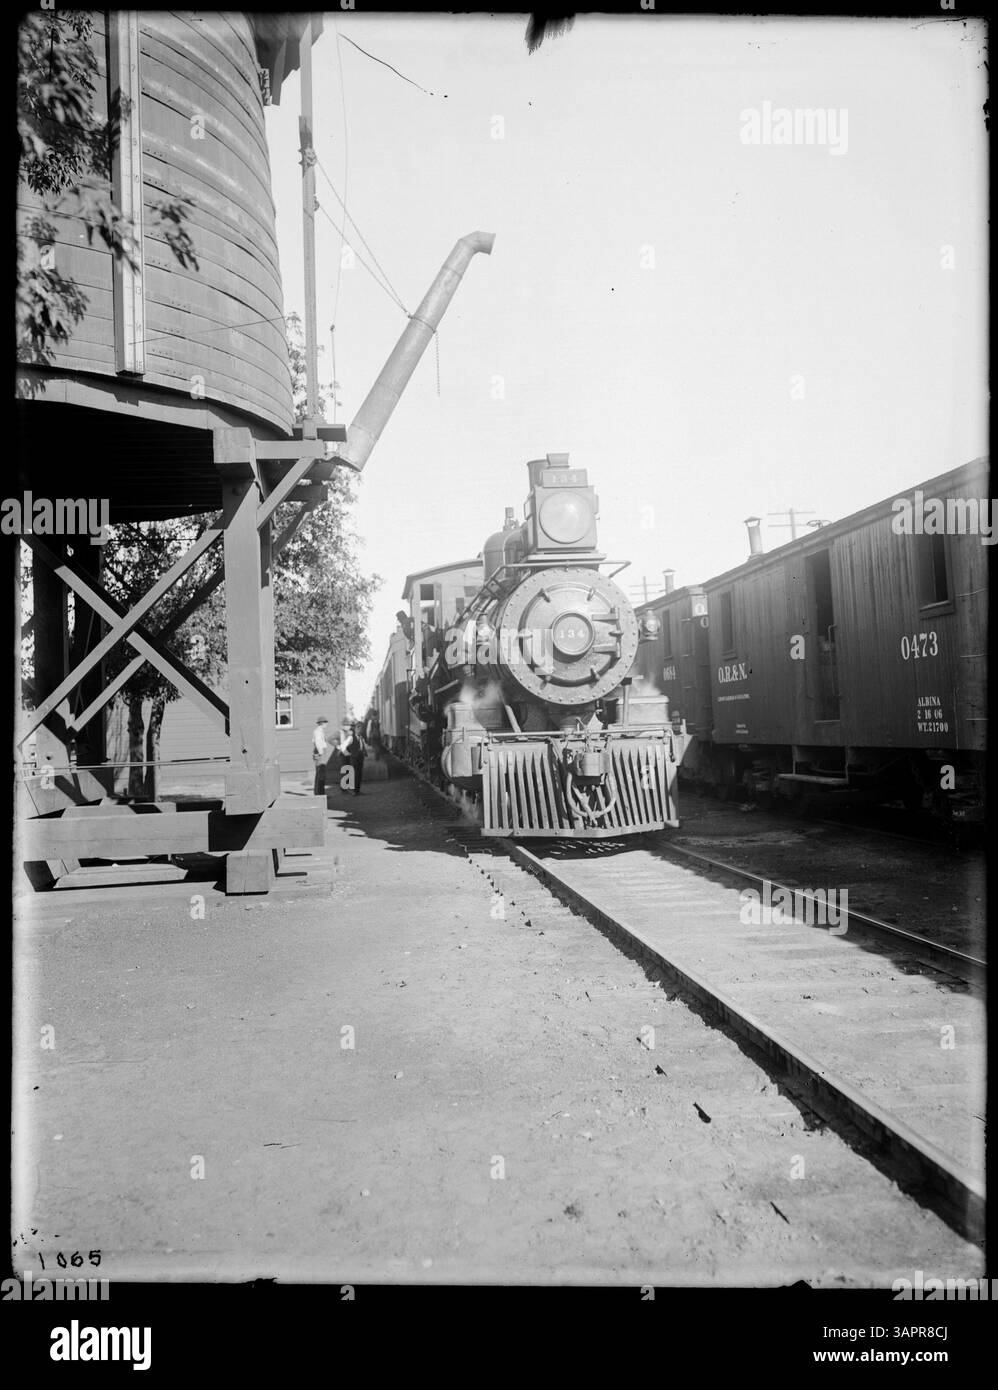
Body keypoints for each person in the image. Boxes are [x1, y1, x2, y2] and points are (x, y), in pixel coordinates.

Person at [341, 721, 367, 796]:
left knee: (359, 775)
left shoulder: (361, 737)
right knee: (354, 775)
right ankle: (353, 791)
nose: (361, 731)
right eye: (359, 729)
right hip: (354, 759)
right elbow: (343, 747)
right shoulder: (351, 738)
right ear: (356, 729)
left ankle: (358, 790)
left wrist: (364, 752)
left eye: (362, 729)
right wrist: (347, 753)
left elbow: (362, 746)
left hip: (360, 758)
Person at [312, 716, 332, 796]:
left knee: (322, 774)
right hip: (320, 753)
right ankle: (319, 793)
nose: (326, 724)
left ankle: (321, 793)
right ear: (322, 723)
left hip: (321, 752)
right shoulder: (318, 731)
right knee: (320, 774)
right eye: (325, 722)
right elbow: (317, 742)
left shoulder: (320, 731)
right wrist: (321, 753)